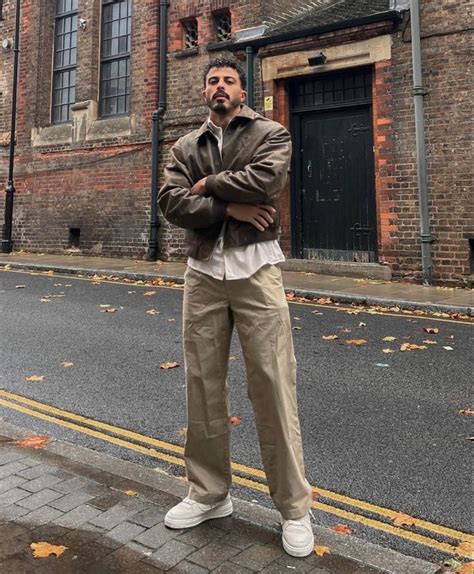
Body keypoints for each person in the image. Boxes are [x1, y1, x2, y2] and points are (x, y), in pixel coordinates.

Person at [158, 57, 314, 558]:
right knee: (202, 385)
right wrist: (228, 206)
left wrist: (206, 185)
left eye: (227, 81)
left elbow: (267, 183)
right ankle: (208, 494)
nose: (219, 87)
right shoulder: (185, 146)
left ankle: (294, 509)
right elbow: (170, 202)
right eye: (212, 82)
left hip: (257, 272)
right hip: (202, 274)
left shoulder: (272, 133)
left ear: (242, 92)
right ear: (204, 93)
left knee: (271, 383)